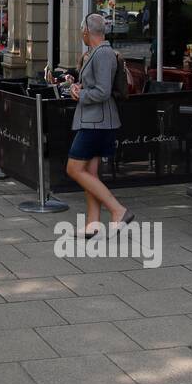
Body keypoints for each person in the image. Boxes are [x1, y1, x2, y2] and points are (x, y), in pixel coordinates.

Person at [65, 13, 133, 233]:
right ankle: (93, 224)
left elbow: (103, 92)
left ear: (86, 30)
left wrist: (80, 95)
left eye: (81, 30)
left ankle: (118, 209)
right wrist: (80, 87)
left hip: (97, 122)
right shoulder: (98, 53)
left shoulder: (102, 53)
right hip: (96, 121)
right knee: (90, 174)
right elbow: (98, 86)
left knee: (74, 169)